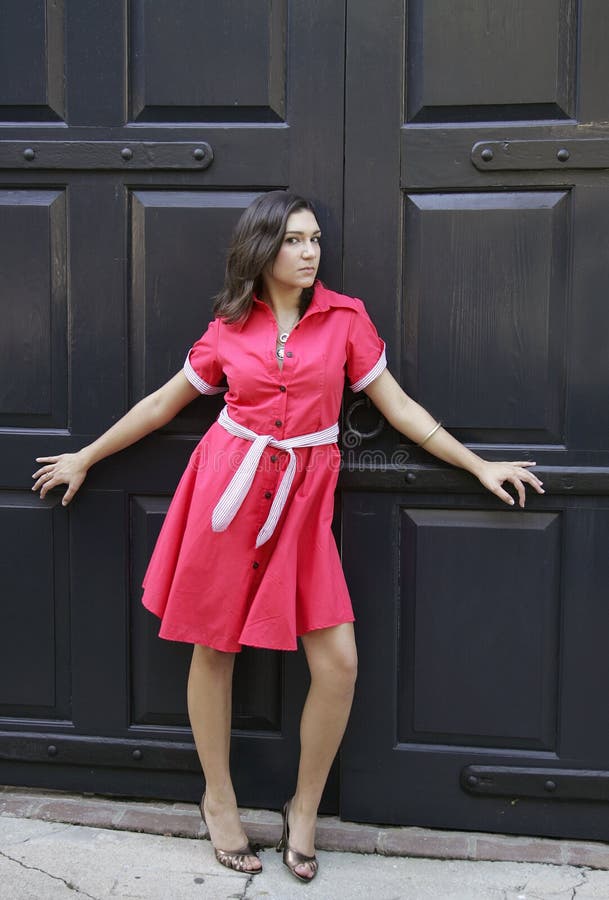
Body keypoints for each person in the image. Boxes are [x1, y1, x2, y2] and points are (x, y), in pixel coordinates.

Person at [31, 191, 544, 883]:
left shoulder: (344, 318)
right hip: (227, 492)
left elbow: (396, 407)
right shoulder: (228, 326)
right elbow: (163, 404)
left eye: (314, 240)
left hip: (303, 507)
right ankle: (218, 799)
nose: (309, 253)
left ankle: (304, 809)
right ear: (263, 249)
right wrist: (85, 456)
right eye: (295, 241)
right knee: (213, 648)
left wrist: (478, 464)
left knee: (337, 663)